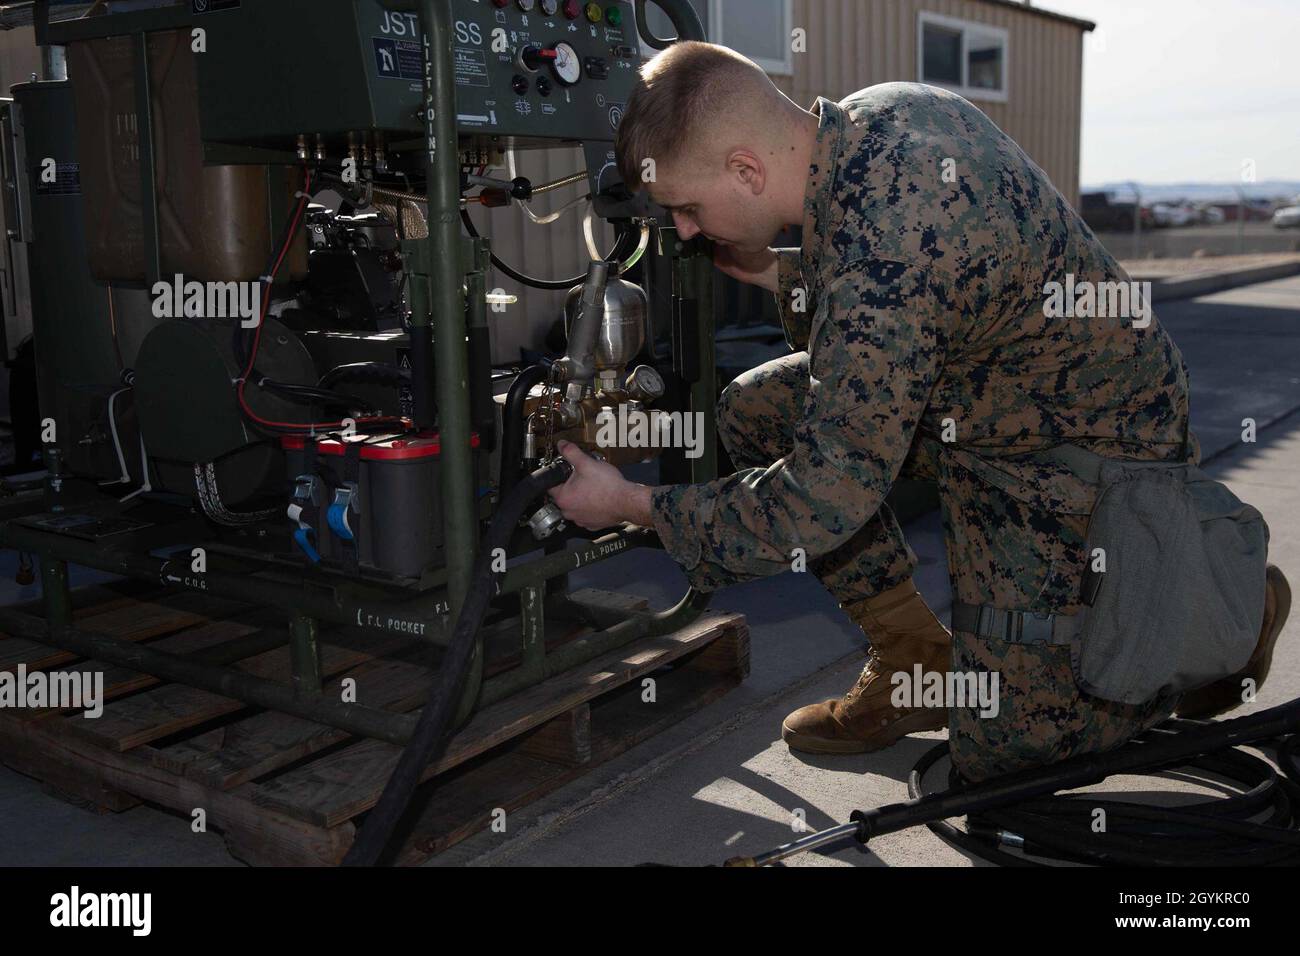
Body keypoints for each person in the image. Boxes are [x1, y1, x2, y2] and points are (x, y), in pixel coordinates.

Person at [546, 41, 1291, 781]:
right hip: (985, 394)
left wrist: (637, 505)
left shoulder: (885, 259)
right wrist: (783, 268)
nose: (681, 230)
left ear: (747, 170)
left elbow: (823, 498)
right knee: (757, 409)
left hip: (1088, 448)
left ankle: (1212, 607)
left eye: (685, 207)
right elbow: (892, 319)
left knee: (1004, 760)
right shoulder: (881, 110)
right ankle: (913, 659)